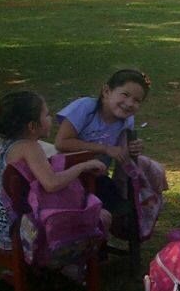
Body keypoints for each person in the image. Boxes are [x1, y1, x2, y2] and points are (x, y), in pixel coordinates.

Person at [0, 90, 107, 253]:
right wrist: (83, 166)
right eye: (46, 114)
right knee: (102, 217)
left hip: (3, 234)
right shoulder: (30, 147)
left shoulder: (7, 144)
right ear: (32, 126)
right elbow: (52, 184)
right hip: (21, 237)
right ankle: (74, 267)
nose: (50, 118)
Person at [54, 69, 167, 227]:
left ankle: (110, 231)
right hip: (69, 175)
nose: (129, 103)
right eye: (125, 95)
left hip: (97, 178)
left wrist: (132, 147)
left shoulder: (127, 120)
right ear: (106, 91)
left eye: (137, 100)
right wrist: (104, 149)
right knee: (109, 198)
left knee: (120, 199)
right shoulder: (86, 107)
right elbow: (61, 142)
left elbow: (121, 153)